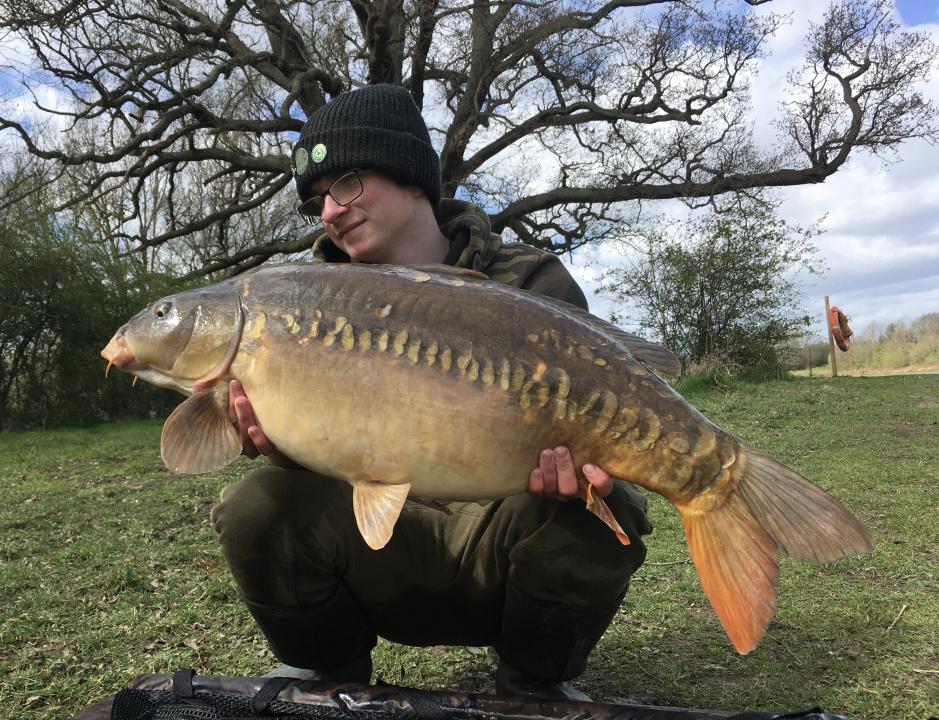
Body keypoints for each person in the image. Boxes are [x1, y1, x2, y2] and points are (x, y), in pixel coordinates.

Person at [211, 84, 651, 702]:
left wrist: (581, 474)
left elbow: (597, 417)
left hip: (500, 543)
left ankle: (533, 682)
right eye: (318, 199)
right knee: (257, 504)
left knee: (610, 511)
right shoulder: (294, 308)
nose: (330, 212)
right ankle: (330, 676)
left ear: (412, 177)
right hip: (377, 552)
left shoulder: (530, 282)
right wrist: (287, 450)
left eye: (346, 183)